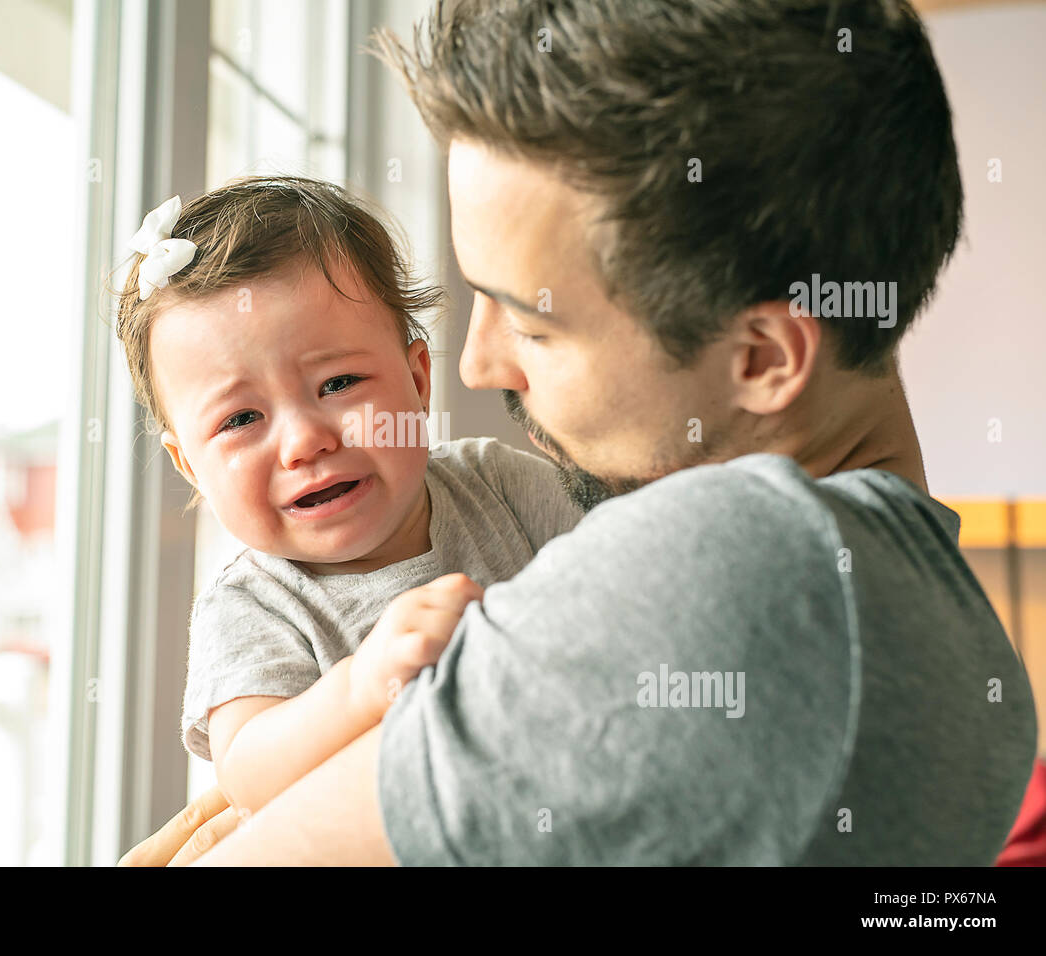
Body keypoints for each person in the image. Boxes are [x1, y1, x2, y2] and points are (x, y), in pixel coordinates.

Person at [128, 0, 1038, 865]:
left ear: (762, 357)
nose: (478, 366)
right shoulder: (953, 632)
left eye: (531, 321)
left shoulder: (738, 566)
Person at [112, 177, 583, 826]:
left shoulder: (498, 484)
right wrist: (363, 686)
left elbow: (625, 570)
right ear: (189, 465)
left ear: (418, 382)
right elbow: (248, 769)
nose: (305, 440)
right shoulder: (253, 605)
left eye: (338, 383)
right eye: (242, 418)